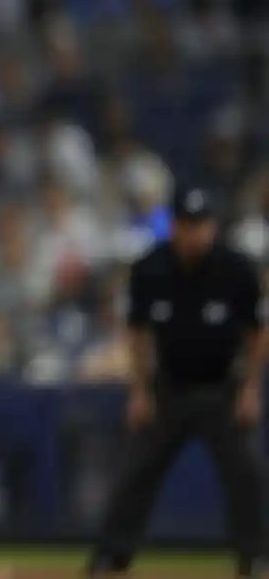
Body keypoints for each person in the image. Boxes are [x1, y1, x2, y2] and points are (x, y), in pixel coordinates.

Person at [86, 187, 267, 579]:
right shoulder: (151, 268)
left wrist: (252, 388)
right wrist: (139, 390)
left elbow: (258, 333)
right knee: (137, 473)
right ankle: (111, 558)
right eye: (186, 225)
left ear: (213, 227)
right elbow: (136, 333)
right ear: (173, 227)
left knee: (245, 474)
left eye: (200, 225)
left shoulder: (235, 269)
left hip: (223, 388)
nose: (193, 234)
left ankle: (253, 559)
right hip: (168, 388)